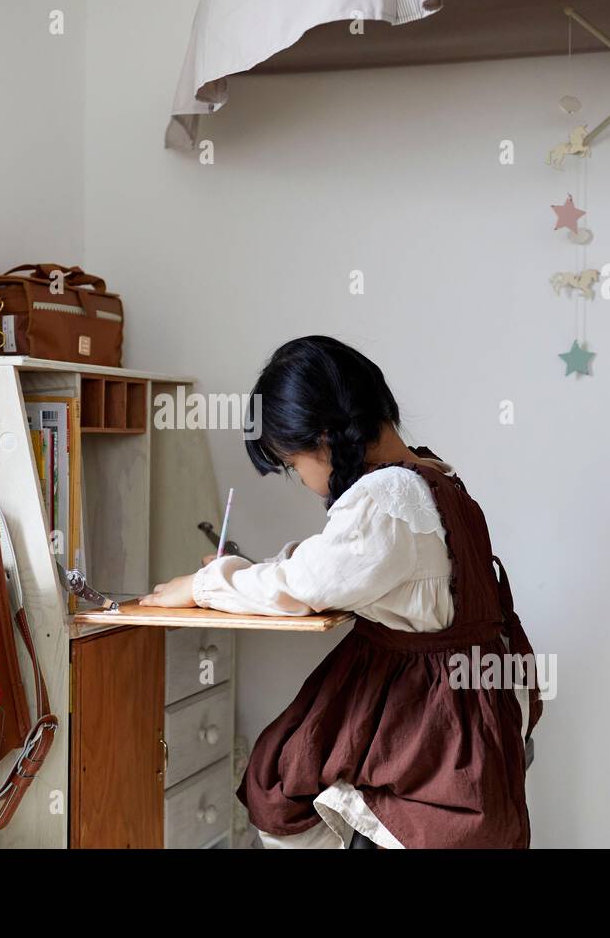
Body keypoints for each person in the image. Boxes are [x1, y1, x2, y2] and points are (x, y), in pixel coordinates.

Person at [141, 336, 542, 848]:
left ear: (325, 438)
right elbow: (331, 563)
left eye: (292, 464)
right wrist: (248, 569)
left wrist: (201, 585)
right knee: (288, 766)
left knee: (281, 779)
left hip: (429, 716)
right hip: (470, 699)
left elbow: (303, 587)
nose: (303, 481)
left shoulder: (385, 496)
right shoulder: (433, 476)